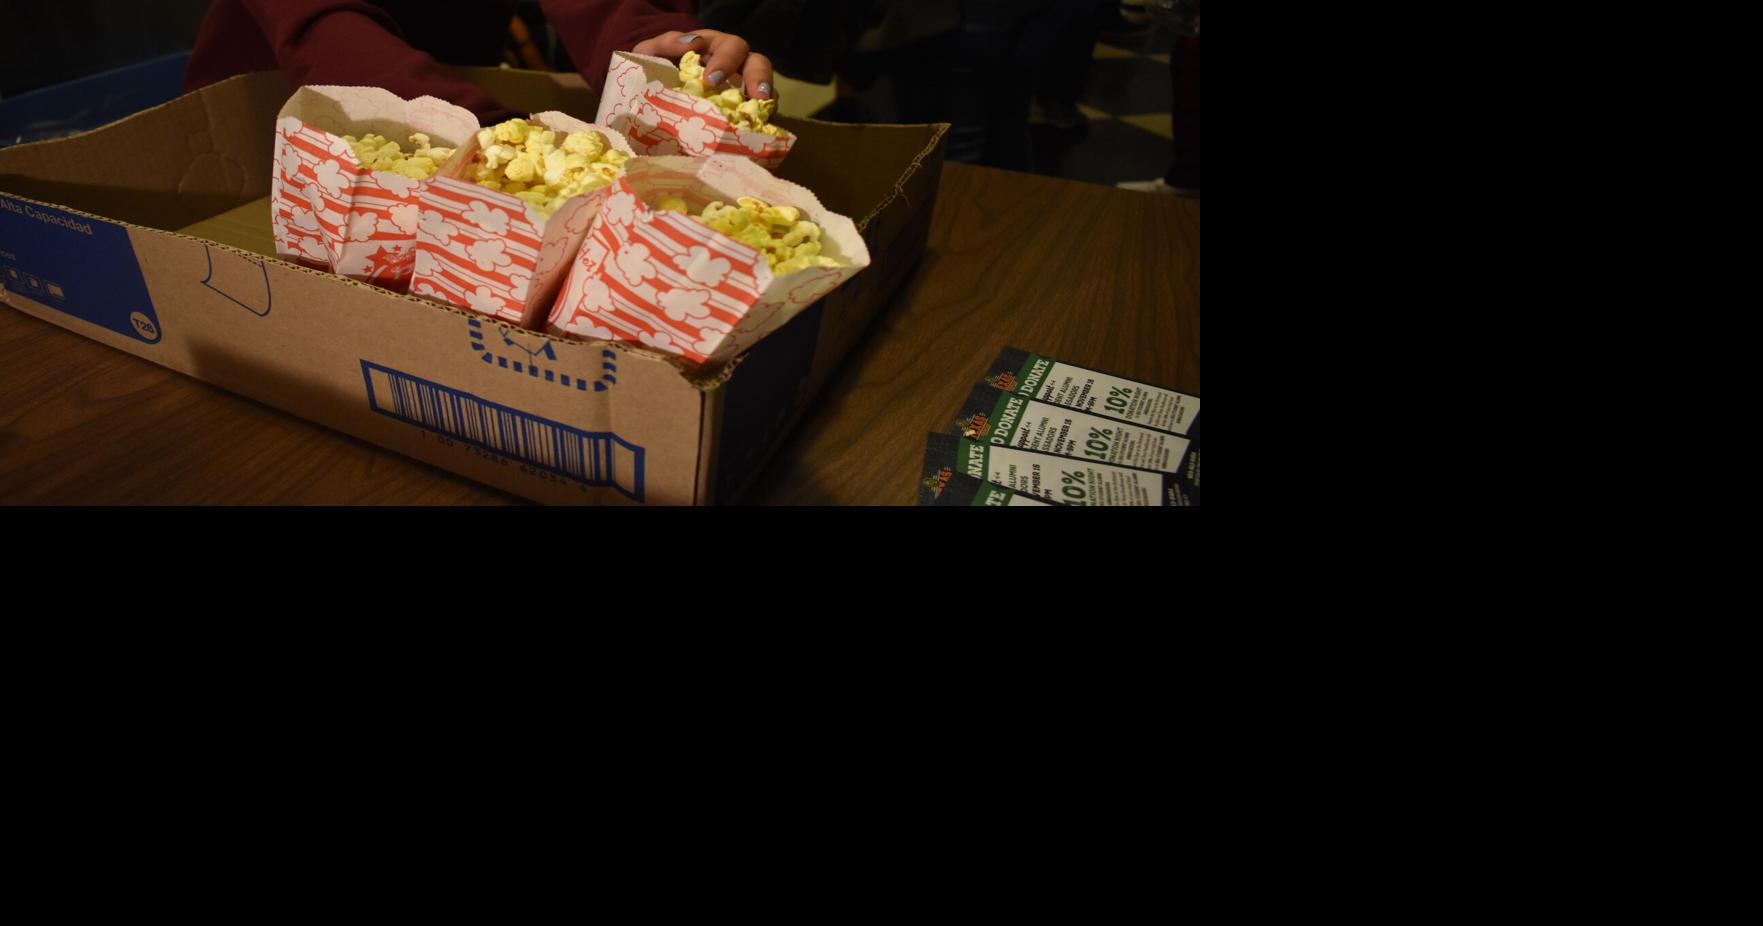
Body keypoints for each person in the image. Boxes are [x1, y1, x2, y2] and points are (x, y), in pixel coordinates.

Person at [182, 0, 775, 123]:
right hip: (268, 131)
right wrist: (493, 131)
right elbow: (322, 26)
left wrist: (657, 43)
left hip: (448, 106)